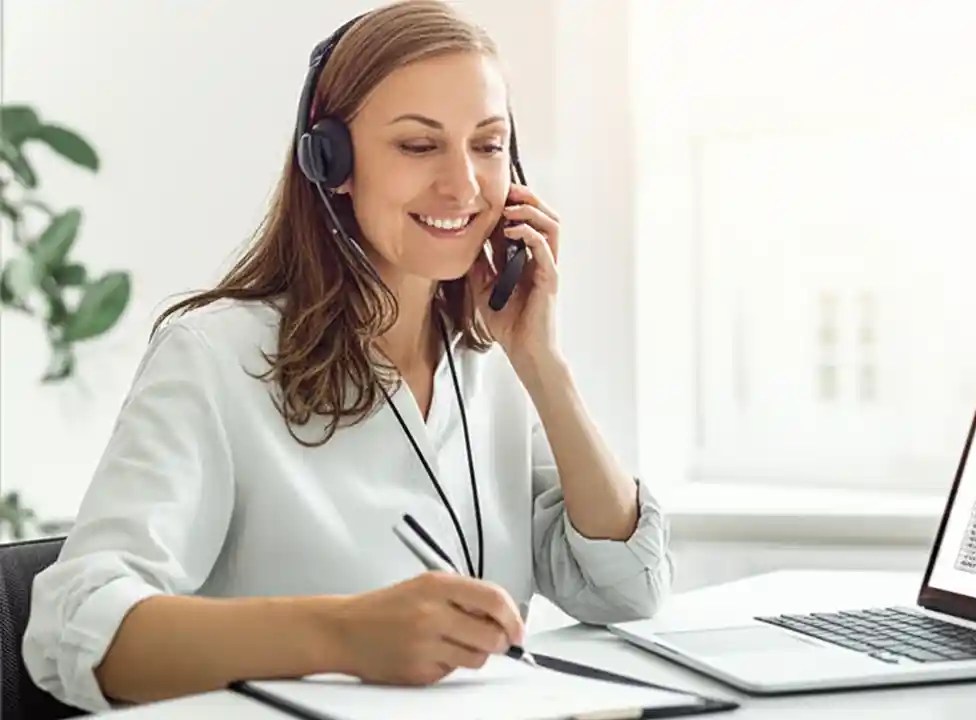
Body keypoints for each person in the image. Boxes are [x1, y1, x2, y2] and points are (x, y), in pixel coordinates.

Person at [23, 1, 672, 712]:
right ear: (329, 161)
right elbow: (73, 632)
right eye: (419, 147)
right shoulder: (214, 357)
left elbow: (627, 587)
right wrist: (341, 634)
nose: (462, 186)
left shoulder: (490, 365)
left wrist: (544, 365)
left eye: (487, 145)